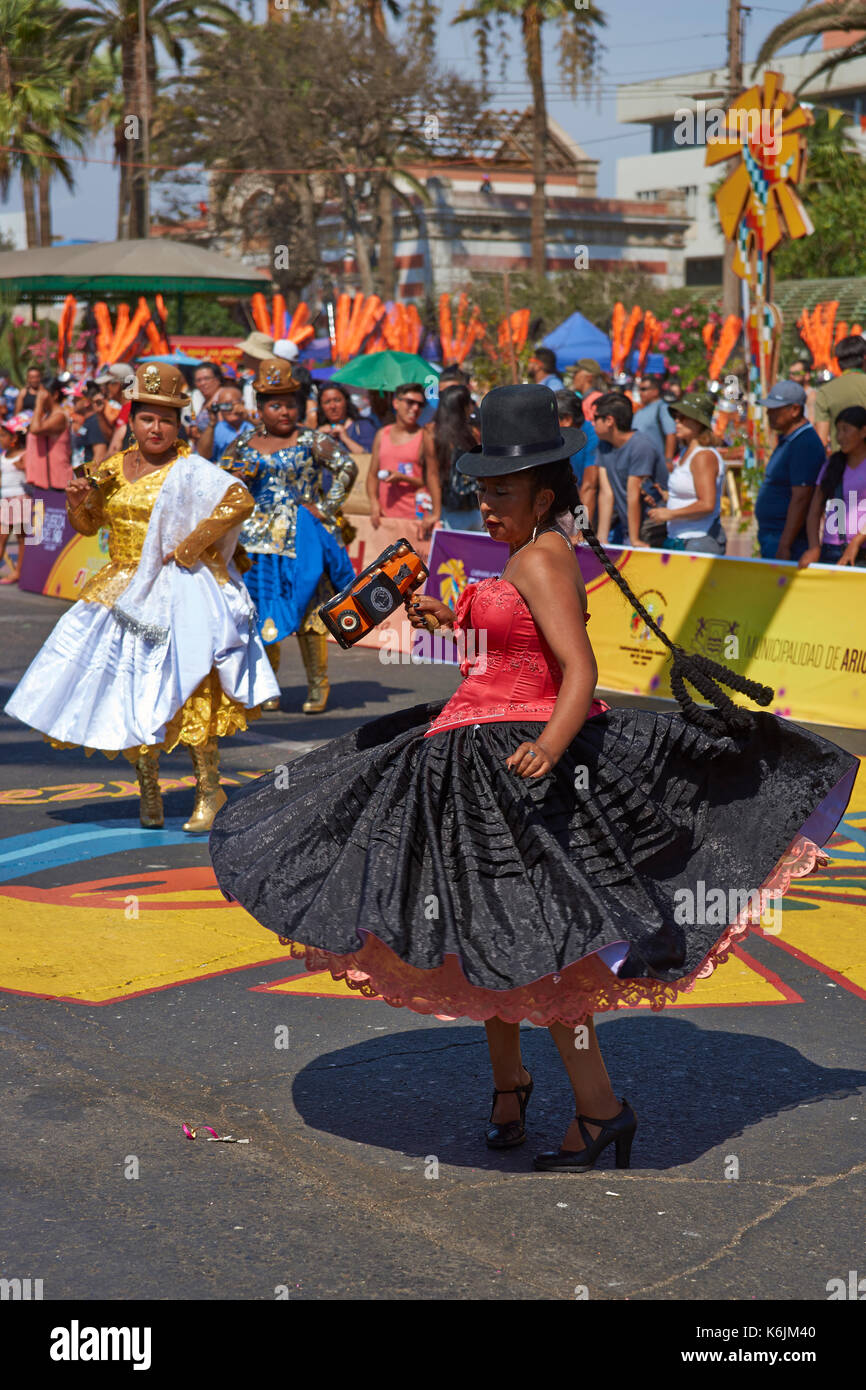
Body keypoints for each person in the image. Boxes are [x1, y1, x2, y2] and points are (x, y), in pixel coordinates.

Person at [209, 383, 856, 1170]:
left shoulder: (544, 556)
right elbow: (507, 653)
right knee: (484, 931)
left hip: (523, 764)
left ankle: (600, 1109)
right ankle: (510, 1089)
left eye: (503, 494)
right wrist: (453, 621)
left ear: (544, 493)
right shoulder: (522, 553)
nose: (488, 507)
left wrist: (550, 748)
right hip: (475, 748)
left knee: (543, 944)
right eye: (482, 492)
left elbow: (579, 673)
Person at [5, 362, 278, 831]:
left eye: (167, 419)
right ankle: (148, 790)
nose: (157, 428)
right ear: (131, 420)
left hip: (179, 590)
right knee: (131, 693)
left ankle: (208, 792)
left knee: (191, 687)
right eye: (148, 418)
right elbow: (89, 526)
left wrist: (191, 545)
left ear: (179, 424)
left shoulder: (191, 470)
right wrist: (76, 501)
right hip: (120, 591)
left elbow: (240, 501)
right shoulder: (110, 469)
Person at [218, 357, 357, 716]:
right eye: (275, 404)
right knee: (261, 612)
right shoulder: (243, 443)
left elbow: (347, 466)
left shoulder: (313, 440)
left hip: (303, 543)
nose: (284, 411)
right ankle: (269, 686)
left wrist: (325, 508)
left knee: (311, 615)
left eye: (290, 403)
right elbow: (221, 482)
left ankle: (318, 684)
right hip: (255, 546)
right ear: (260, 407)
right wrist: (238, 482)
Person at [645, 394, 727, 554]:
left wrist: (670, 514)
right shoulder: (685, 453)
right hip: (682, 539)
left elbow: (707, 504)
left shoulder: (703, 456)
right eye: (676, 416)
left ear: (698, 422)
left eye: (683, 417)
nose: (677, 421)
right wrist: (666, 497)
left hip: (700, 540)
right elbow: (690, 495)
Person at [754, 380, 826, 562]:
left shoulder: (804, 444)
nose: (769, 413)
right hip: (773, 534)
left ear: (794, 410)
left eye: (775, 409)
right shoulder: (790, 439)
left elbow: (801, 498)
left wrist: (785, 544)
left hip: (785, 539)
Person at [592, 391, 668, 548]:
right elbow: (606, 493)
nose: (592, 423)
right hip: (629, 526)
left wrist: (634, 540)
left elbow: (633, 494)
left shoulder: (641, 446)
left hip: (653, 525)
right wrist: (602, 538)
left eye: (595, 418)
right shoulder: (604, 445)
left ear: (609, 421)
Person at [799, 404, 866, 569]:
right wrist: (814, 547)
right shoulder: (832, 465)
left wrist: (856, 542)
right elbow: (815, 511)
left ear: (864, 432)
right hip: (831, 549)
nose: (840, 437)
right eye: (837, 431)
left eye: (846, 430)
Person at [420, 382, 482, 536]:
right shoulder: (433, 432)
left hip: (473, 507)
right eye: (470, 403)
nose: (472, 408)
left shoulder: (472, 431)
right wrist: (436, 512)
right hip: (453, 509)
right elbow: (432, 474)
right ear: (462, 407)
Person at [367, 381, 430, 524]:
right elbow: (372, 475)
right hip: (385, 519)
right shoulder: (382, 434)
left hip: (415, 520)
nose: (415, 408)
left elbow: (431, 482)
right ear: (396, 403)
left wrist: (403, 478)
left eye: (420, 405)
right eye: (410, 402)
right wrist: (374, 503)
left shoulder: (425, 437)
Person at [814, 335, 866, 452]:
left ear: (838, 362)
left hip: (842, 464)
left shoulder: (825, 392)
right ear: (864, 358)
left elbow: (821, 440)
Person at [556, 389, 599, 527]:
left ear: (567, 419)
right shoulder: (559, 438)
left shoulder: (592, 437)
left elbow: (589, 487)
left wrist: (582, 529)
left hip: (594, 516)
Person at [24, 377, 72, 493]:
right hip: (40, 483)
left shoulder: (59, 417)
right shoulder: (46, 416)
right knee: (39, 512)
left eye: (42, 393)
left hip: (57, 485)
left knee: (54, 511)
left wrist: (39, 403)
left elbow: (35, 429)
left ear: (55, 395)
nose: (39, 396)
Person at [0, 413, 29, 584]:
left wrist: (24, 467)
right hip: (5, 498)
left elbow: (30, 474)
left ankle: (19, 572)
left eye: (4, 435)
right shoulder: (3, 456)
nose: (1, 438)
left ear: (15, 438)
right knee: (2, 535)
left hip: (20, 498)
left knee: (21, 536)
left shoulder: (25, 454)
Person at [316, 381, 377, 454]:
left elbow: (370, 457)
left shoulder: (363, 426)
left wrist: (345, 438)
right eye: (327, 402)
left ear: (346, 402)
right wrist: (317, 437)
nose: (332, 406)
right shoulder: (320, 431)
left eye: (337, 400)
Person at [197, 384, 250, 462]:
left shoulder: (252, 422)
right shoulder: (217, 429)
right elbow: (203, 455)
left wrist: (248, 418)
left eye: (231, 404)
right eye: (224, 405)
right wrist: (212, 423)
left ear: (242, 403)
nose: (229, 409)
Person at [633, 374, 677, 462]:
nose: (640, 393)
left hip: (656, 463)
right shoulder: (640, 410)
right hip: (639, 462)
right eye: (639, 389)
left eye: (643, 389)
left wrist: (668, 460)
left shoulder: (662, 408)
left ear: (655, 391)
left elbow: (671, 434)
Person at [70, 387, 109, 474]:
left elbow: (99, 455)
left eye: (76, 400)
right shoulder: (88, 422)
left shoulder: (95, 422)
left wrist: (89, 480)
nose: (72, 402)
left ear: (87, 402)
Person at [235, 330, 275, 414]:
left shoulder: (274, 383)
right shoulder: (248, 381)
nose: (243, 355)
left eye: (246, 352)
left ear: (255, 357)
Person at [571, 358, 603, 423]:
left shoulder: (595, 400)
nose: (573, 376)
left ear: (589, 377)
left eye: (575, 373)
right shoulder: (590, 398)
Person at [788, 357, 816, 422]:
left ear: (807, 375)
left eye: (796, 373)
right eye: (790, 373)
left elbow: (812, 422)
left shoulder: (811, 395)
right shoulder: (792, 394)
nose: (791, 376)